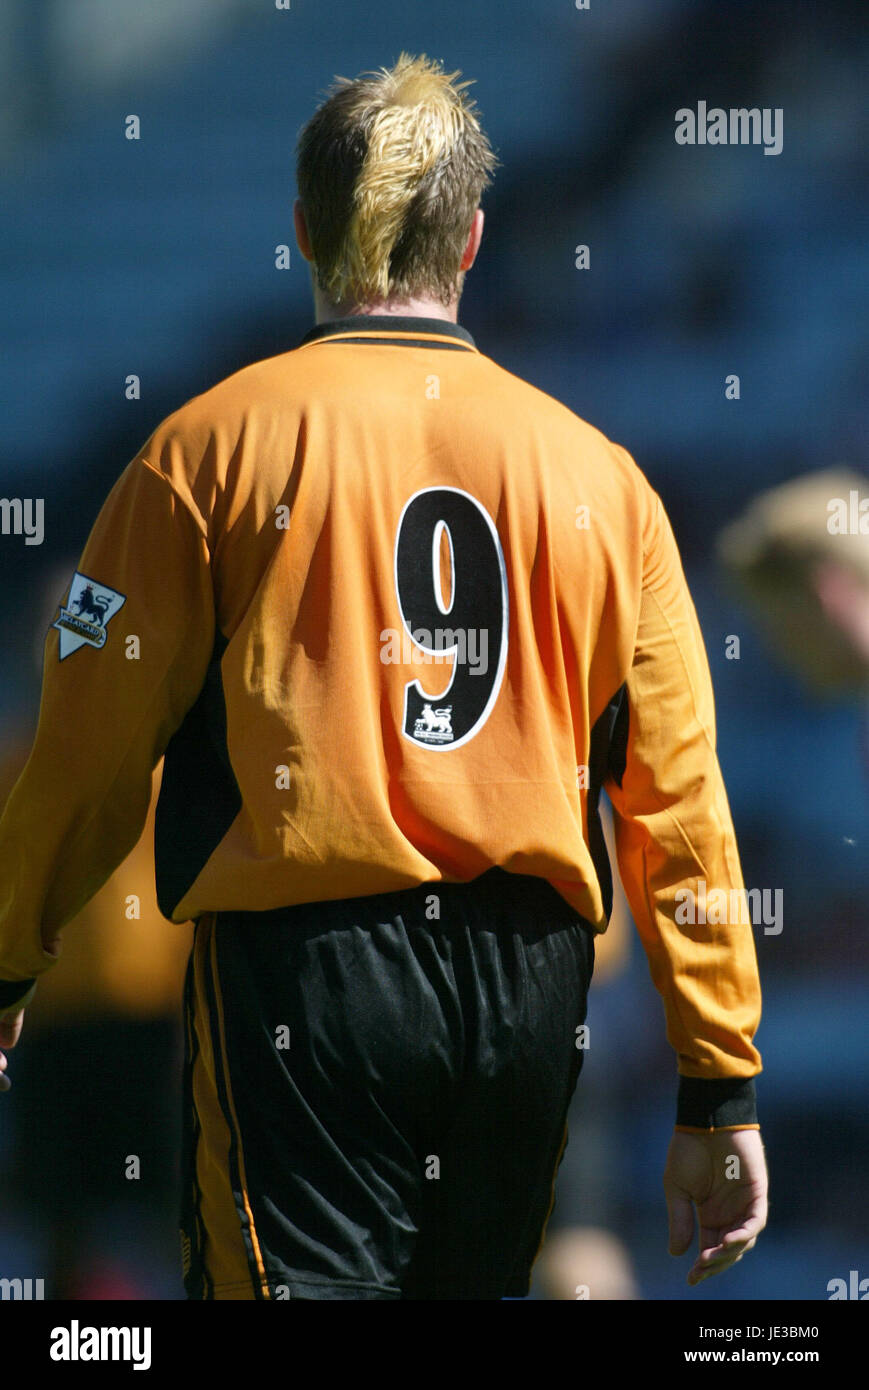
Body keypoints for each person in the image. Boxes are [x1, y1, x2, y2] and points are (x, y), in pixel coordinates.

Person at [0, 52, 767, 1301]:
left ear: (302, 230)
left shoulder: (200, 451)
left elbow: (83, 753)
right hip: (528, 987)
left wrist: (8, 956)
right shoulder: (602, 479)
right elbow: (678, 800)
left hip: (306, 983)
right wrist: (716, 1080)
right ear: (470, 241)